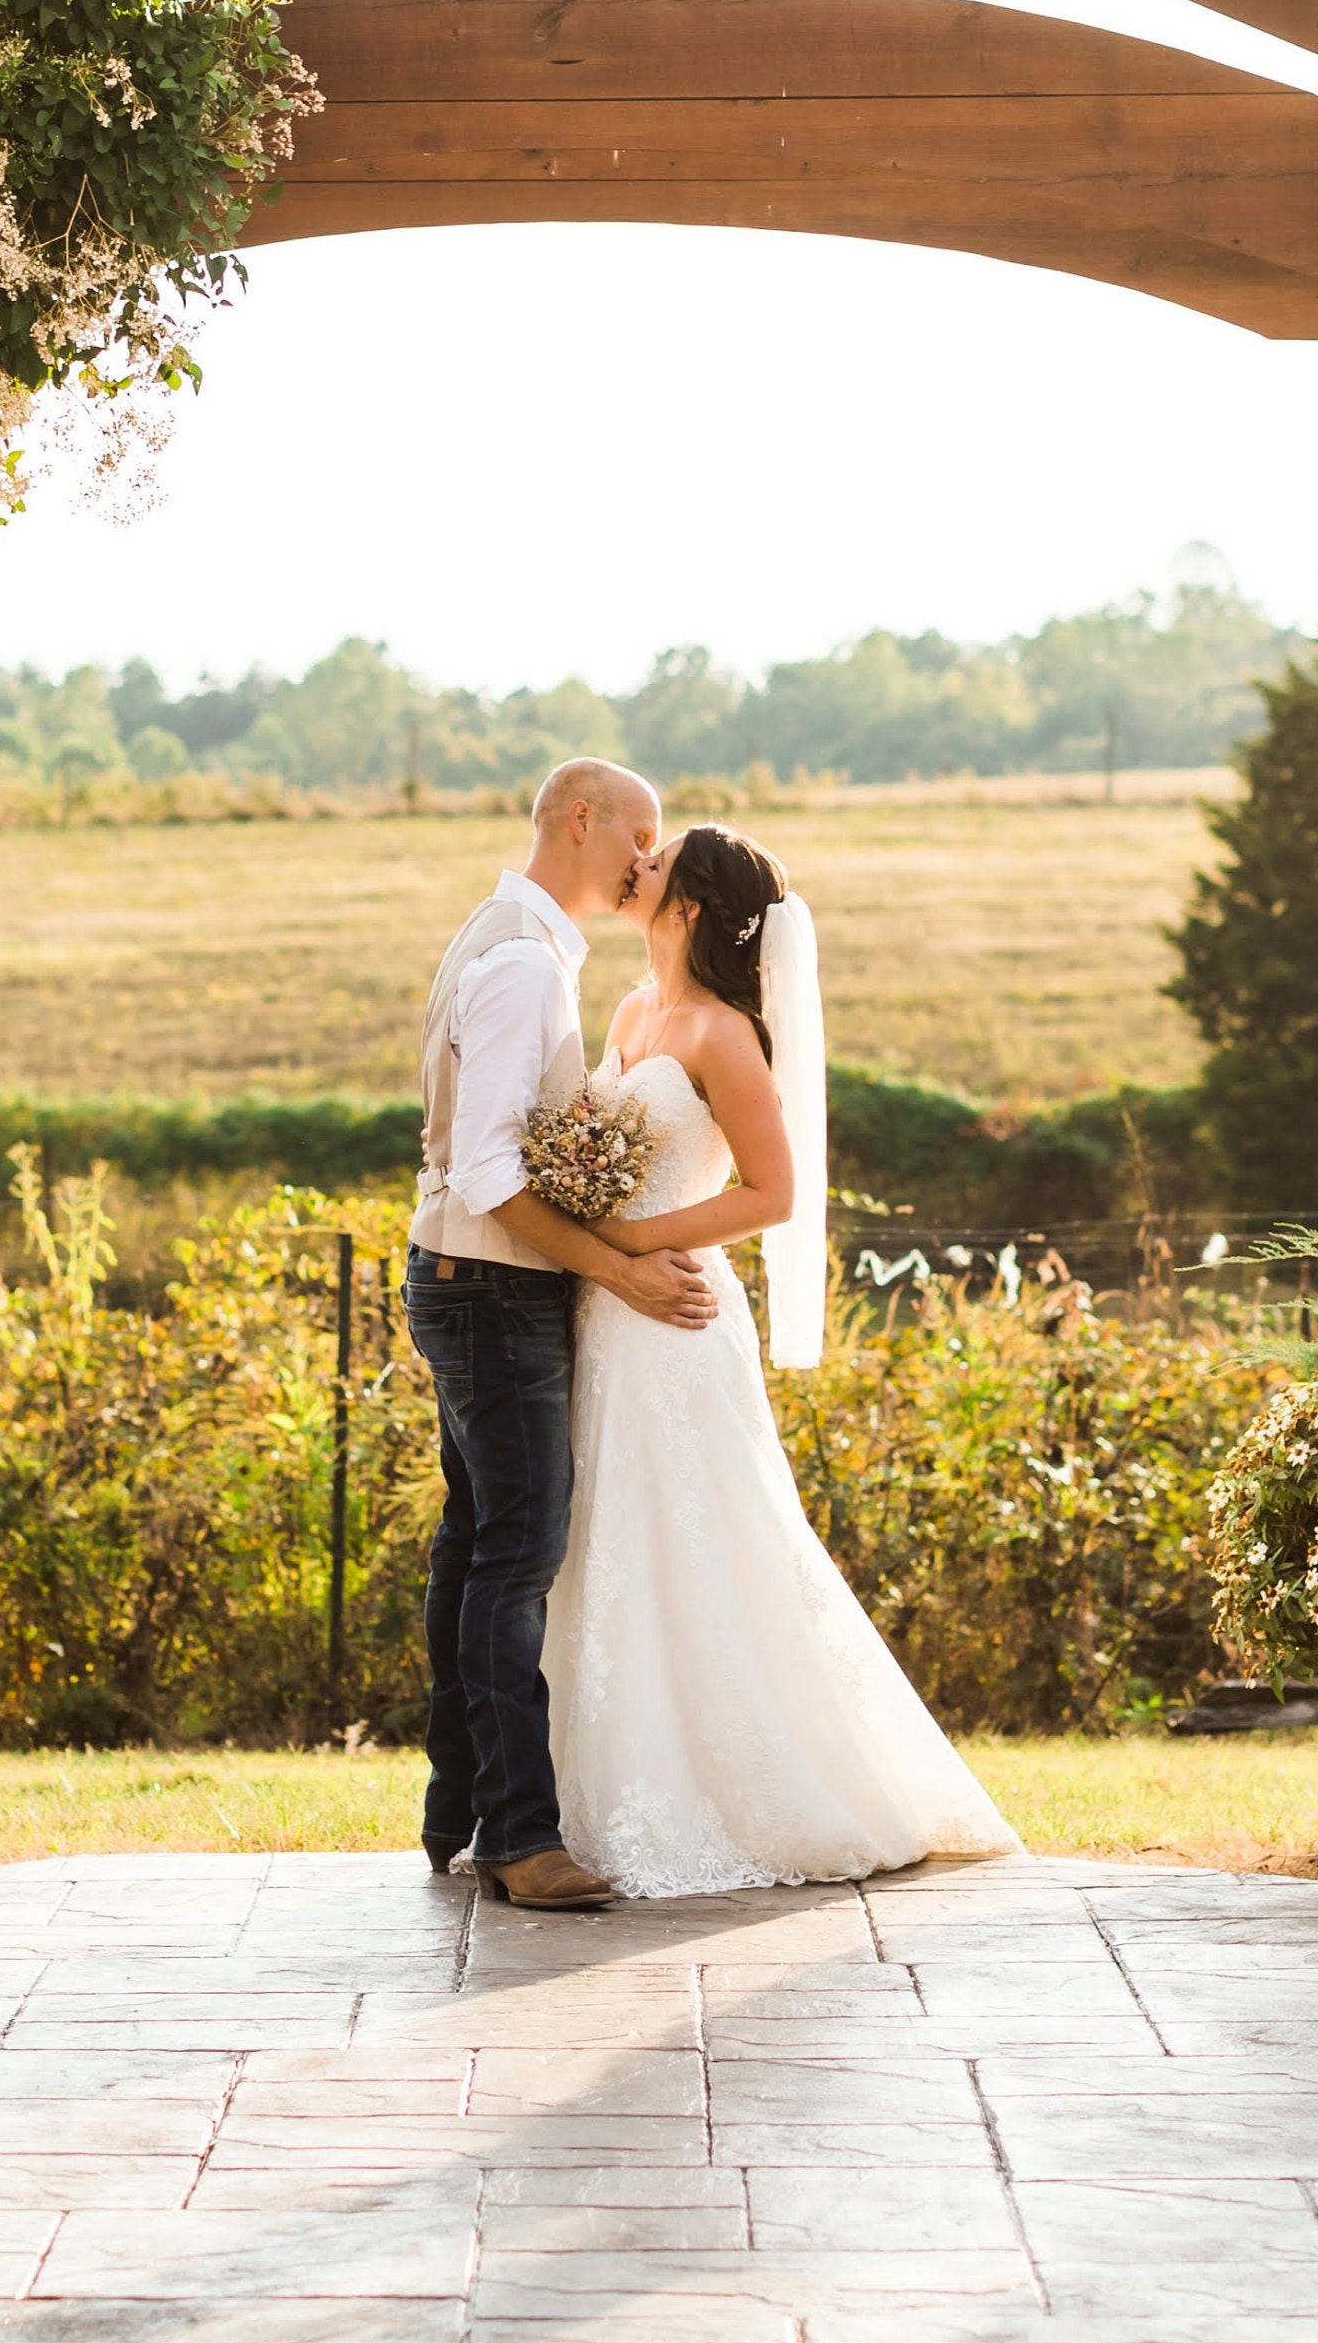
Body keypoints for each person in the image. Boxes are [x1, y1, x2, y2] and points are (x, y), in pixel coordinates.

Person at [542, 823, 1020, 1895]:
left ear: (692, 906)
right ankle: (593, 1793)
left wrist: (628, 1241)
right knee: (609, 1537)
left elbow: (773, 1194)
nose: (639, 862)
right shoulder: (629, 1012)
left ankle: (783, 1789)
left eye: (657, 860)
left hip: (678, 1317)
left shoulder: (721, 1034)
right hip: (608, 1312)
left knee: (710, 1541)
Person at [402, 758, 719, 1912]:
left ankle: (461, 1810)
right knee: (515, 1557)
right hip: (488, 1288)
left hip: (464, 1279)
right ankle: (521, 1839)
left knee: (475, 1545)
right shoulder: (525, 966)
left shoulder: (503, 939)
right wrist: (620, 1268)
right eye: (637, 832)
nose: (648, 857)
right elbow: (487, 1170)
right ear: (578, 821)